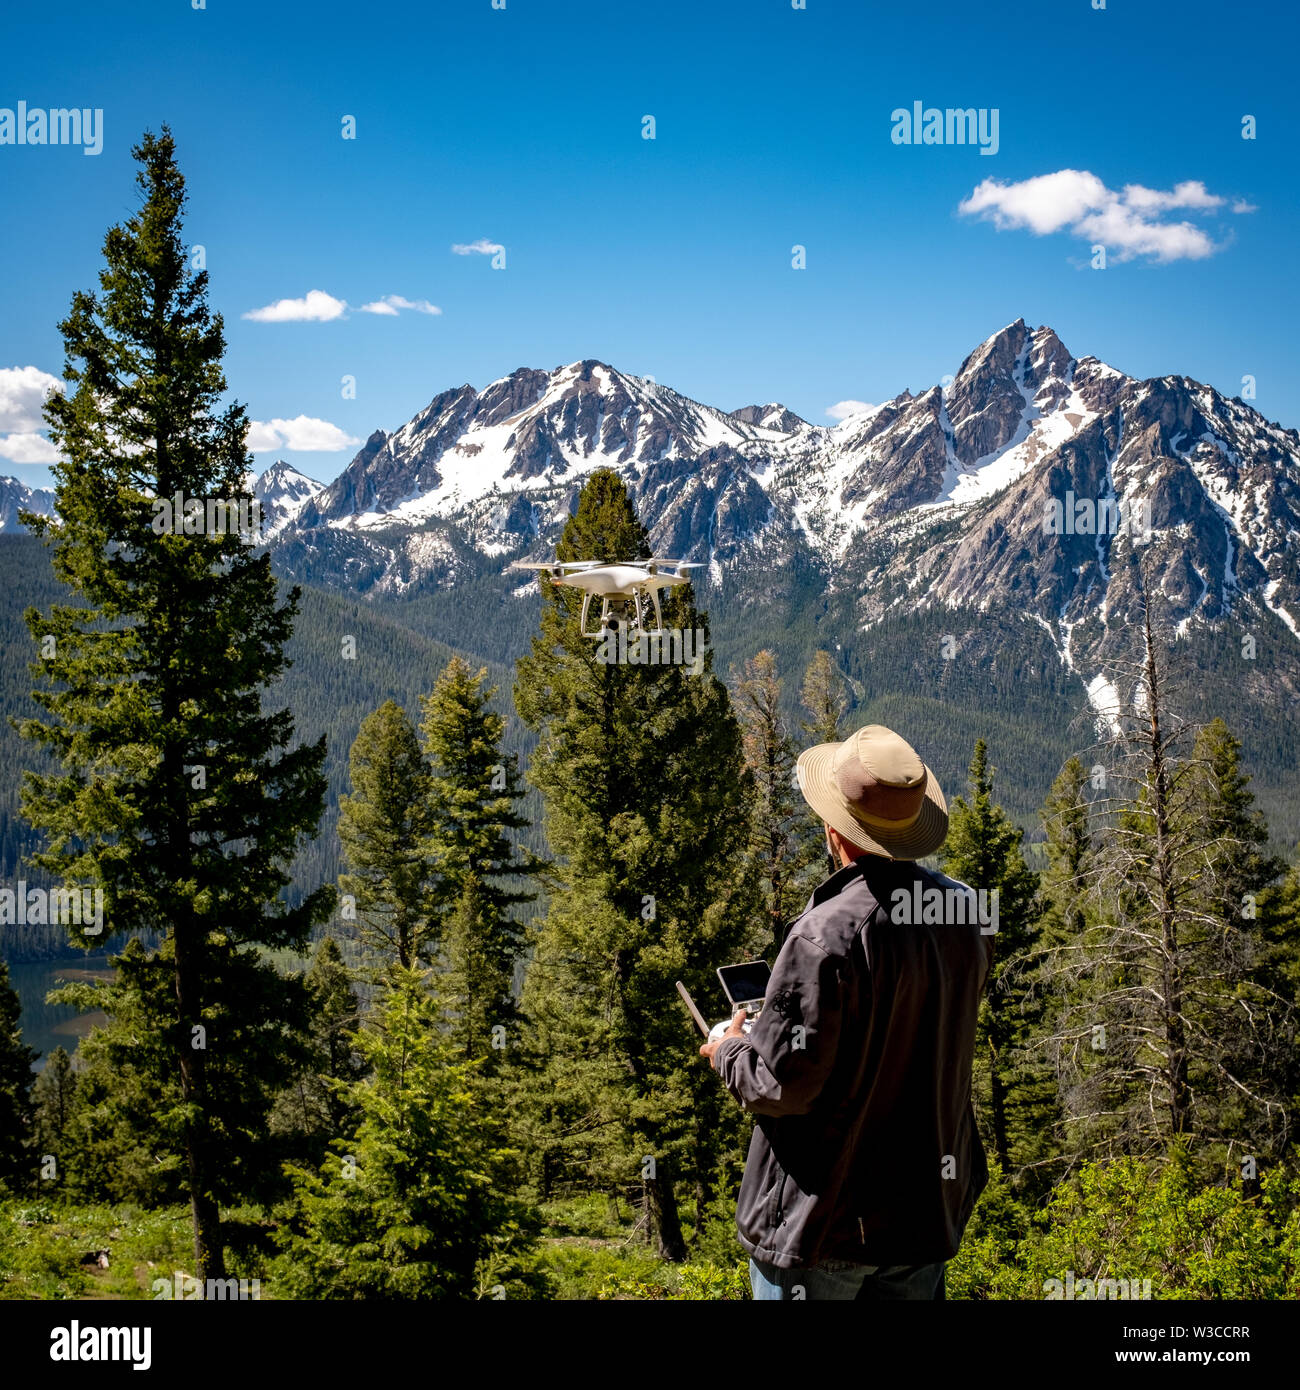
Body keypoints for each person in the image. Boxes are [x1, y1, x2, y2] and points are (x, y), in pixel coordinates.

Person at [701, 723, 993, 1300]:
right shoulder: (967, 914)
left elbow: (782, 1085)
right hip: (922, 1218)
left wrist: (729, 1049)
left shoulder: (824, 936)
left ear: (836, 831)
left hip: (825, 1223)